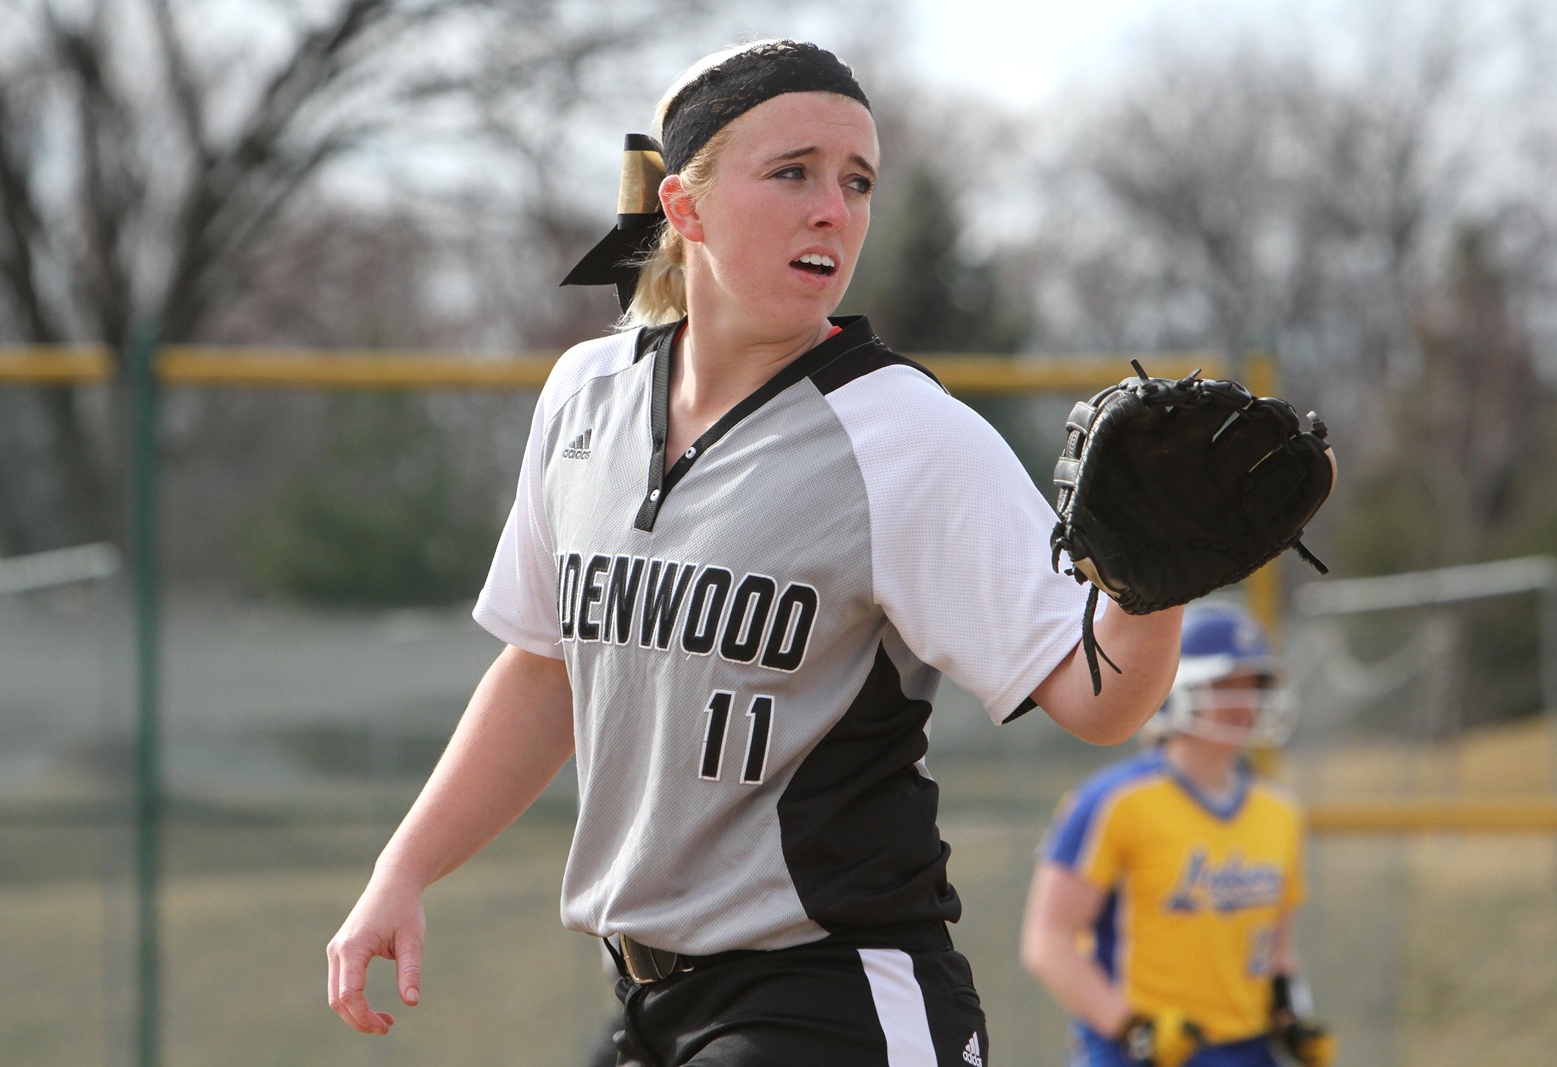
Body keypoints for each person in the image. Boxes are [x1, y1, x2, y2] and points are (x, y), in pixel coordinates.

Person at [326, 38, 1184, 1067]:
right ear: (684, 210)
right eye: (794, 172)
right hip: (651, 998)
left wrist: (1154, 580)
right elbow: (546, 666)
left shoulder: (904, 432)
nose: (835, 208)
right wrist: (402, 868)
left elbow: (1099, 698)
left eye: (857, 180)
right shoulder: (584, 395)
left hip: (835, 994)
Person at [1020, 600, 1338, 1067]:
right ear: (1178, 685)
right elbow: (1048, 943)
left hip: (1248, 1051)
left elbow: (1274, 951)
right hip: (1141, 1052)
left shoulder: (1281, 812)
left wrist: (1294, 1018)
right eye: (1226, 684)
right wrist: (1132, 1029)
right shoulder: (1112, 802)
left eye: (1253, 685)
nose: (1245, 702)